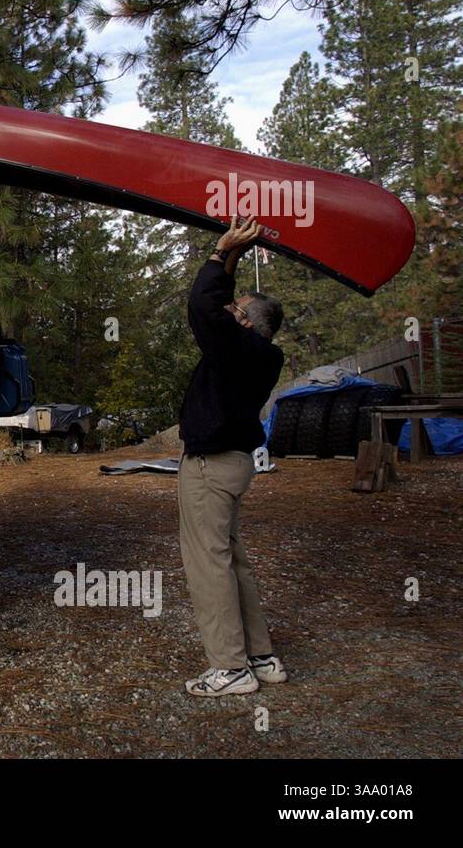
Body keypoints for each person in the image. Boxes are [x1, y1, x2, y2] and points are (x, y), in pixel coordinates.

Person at [177, 216, 287, 697]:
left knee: (209, 564)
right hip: (233, 463)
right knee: (232, 559)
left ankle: (230, 668)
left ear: (246, 322)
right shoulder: (259, 353)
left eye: (237, 309)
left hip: (211, 466)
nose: (230, 310)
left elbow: (203, 306)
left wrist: (220, 251)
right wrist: (237, 257)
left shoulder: (237, 348)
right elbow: (218, 307)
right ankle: (260, 657)